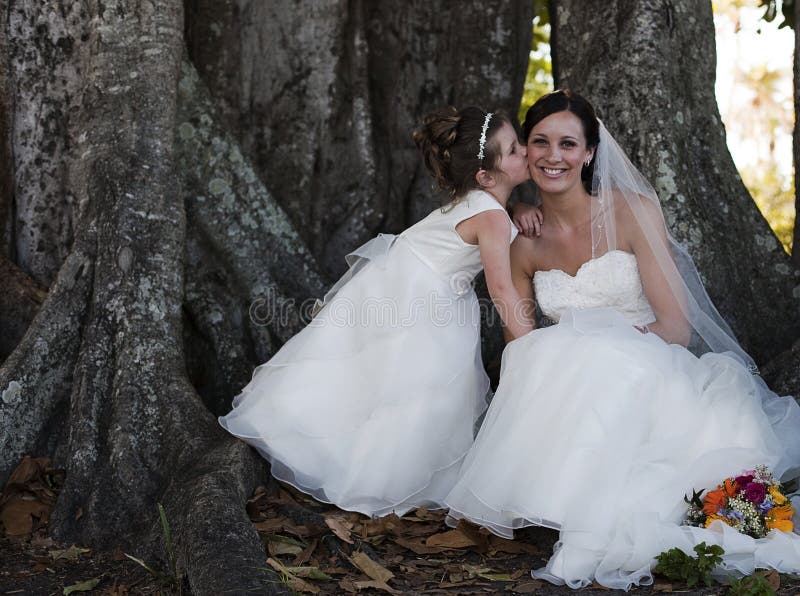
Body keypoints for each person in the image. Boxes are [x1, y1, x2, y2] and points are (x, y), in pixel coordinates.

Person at [443, 89, 800, 589]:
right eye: (540, 142)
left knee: (601, 357)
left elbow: (674, 326)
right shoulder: (518, 242)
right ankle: (580, 507)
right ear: (525, 151)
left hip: (652, 371)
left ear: (589, 152)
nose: (553, 155)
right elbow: (519, 343)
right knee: (572, 360)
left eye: (568, 144)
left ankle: (599, 522)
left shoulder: (632, 210)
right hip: (570, 391)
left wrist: (604, 343)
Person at [219, 106, 540, 518]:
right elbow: (500, 286)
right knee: (409, 392)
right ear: (485, 176)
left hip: (399, 285)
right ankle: (375, 480)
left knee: (373, 382)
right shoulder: (492, 216)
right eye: (514, 150)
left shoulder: (482, 203)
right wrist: (530, 348)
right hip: (424, 303)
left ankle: (332, 448)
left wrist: (518, 210)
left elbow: (490, 221)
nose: (525, 152)